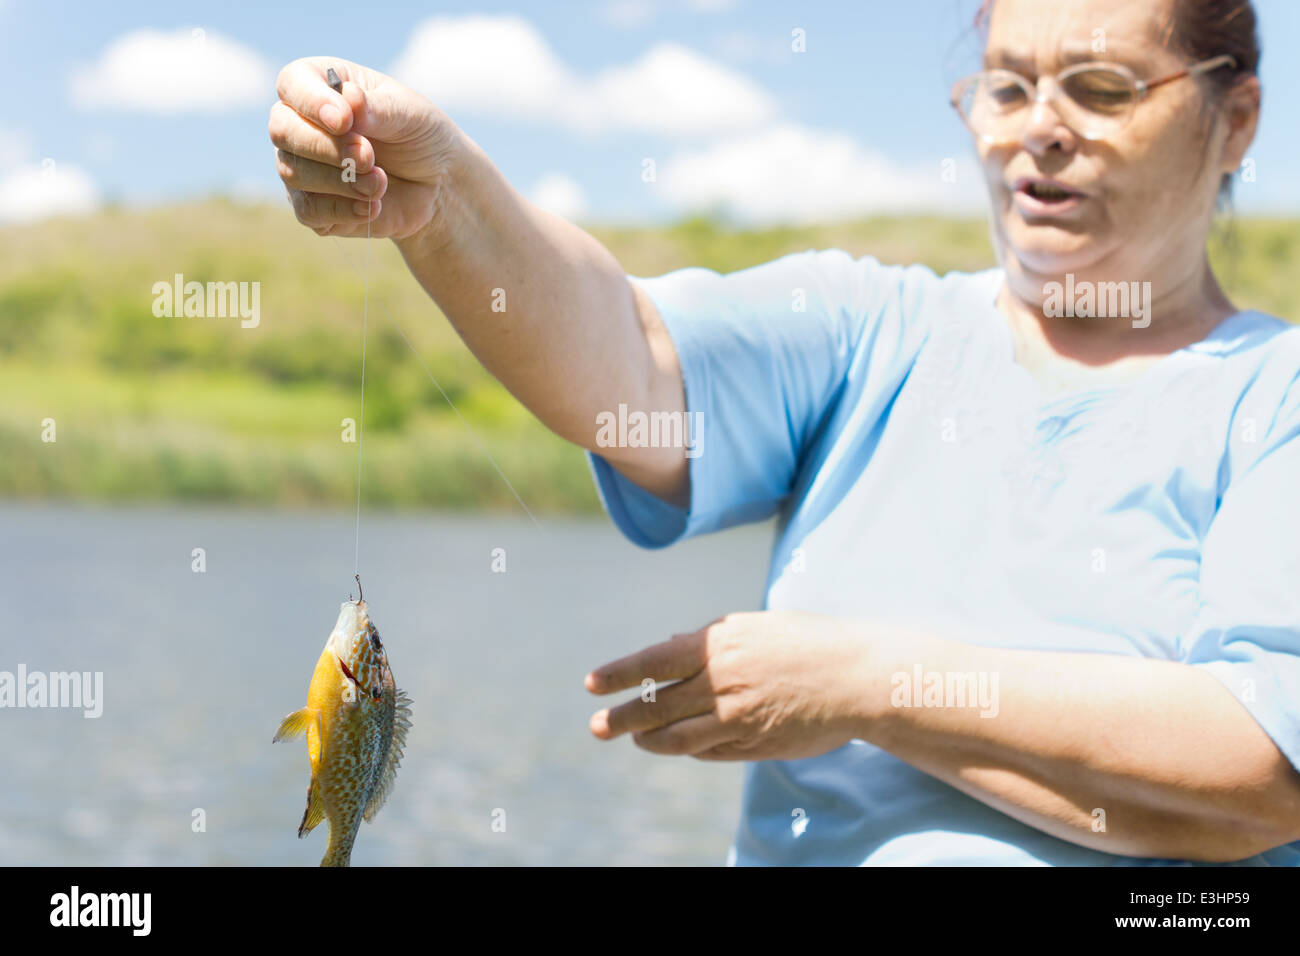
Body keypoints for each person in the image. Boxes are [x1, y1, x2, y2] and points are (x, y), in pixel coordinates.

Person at [269, 0, 1300, 865]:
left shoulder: (1277, 395)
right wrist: (445, 200)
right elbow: (624, 356)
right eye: (1004, 85)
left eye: (1100, 87)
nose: (1039, 127)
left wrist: (867, 687)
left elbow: (1262, 771)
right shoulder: (866, 328)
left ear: (1237, 116)